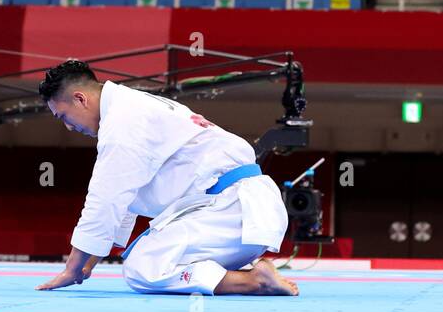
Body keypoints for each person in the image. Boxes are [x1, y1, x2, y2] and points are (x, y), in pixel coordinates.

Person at [35, 59, 297, 296]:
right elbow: (124, 200)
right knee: (151, 257)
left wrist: (72, 269)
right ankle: (251, 272)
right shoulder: (134, 106)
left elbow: (105, 199)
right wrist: (87, 263)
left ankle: (253, 280)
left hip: (231, 213)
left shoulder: (123, 122)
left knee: (142, 267)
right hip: (240, 214)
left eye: (64, 116)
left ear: (80, 99)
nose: (68, 126)